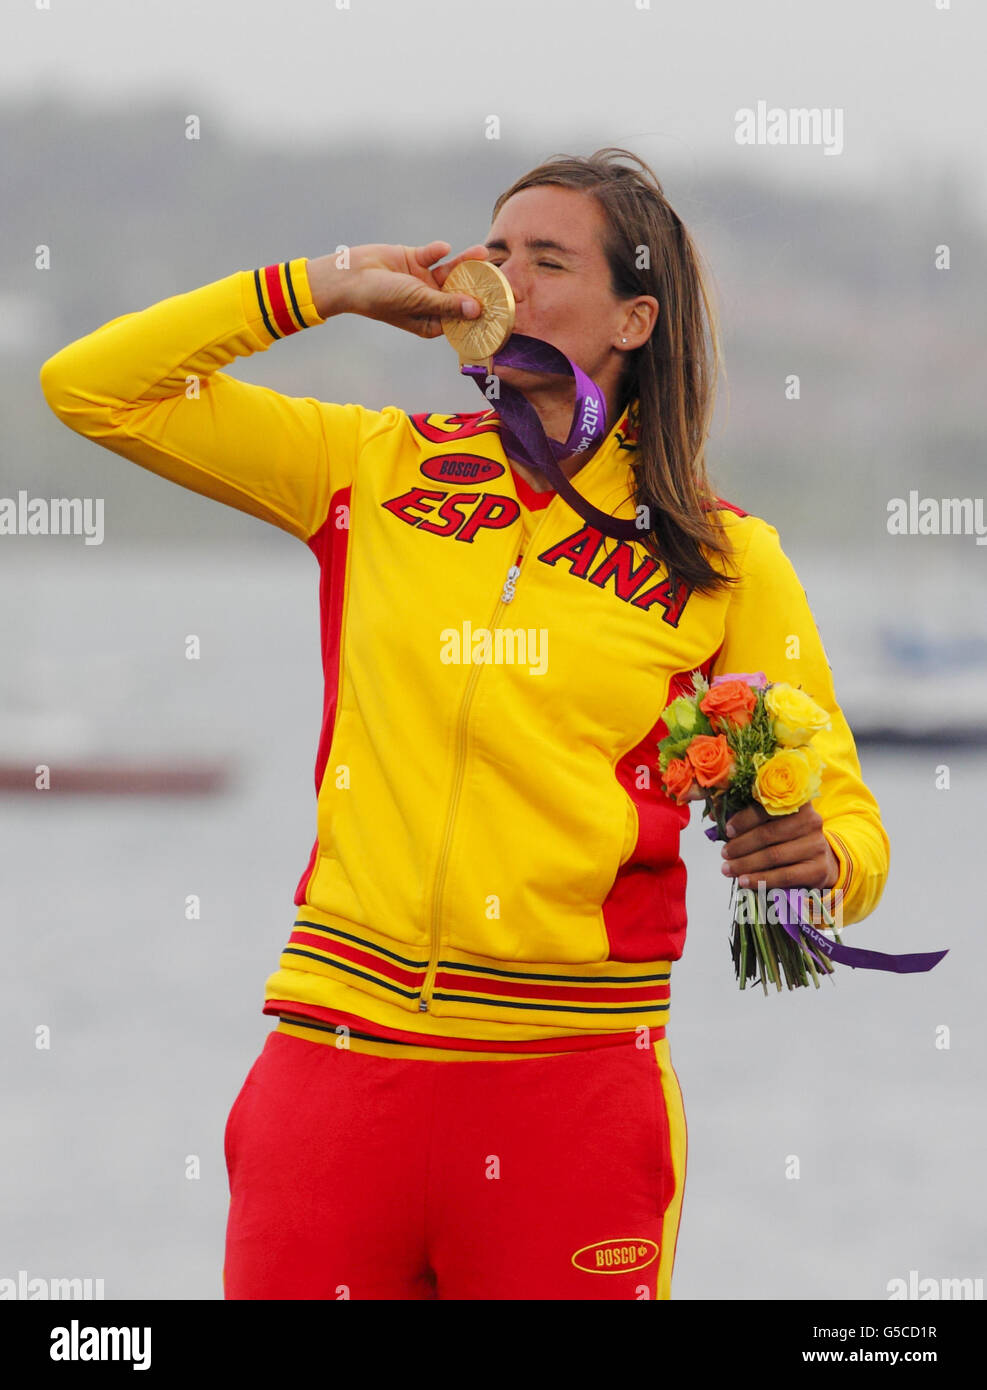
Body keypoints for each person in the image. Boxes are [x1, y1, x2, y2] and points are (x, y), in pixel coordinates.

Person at [39, 146, 890, 1301]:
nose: (504, 277)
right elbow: (90, 387)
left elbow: (844, 823)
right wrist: (325, 286)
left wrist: (815, 862)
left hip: (573, 1088)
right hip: (337, 1070)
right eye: (495, 251)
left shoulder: (727, 562)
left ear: (635, 317)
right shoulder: (372, 468)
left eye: (548, 260)